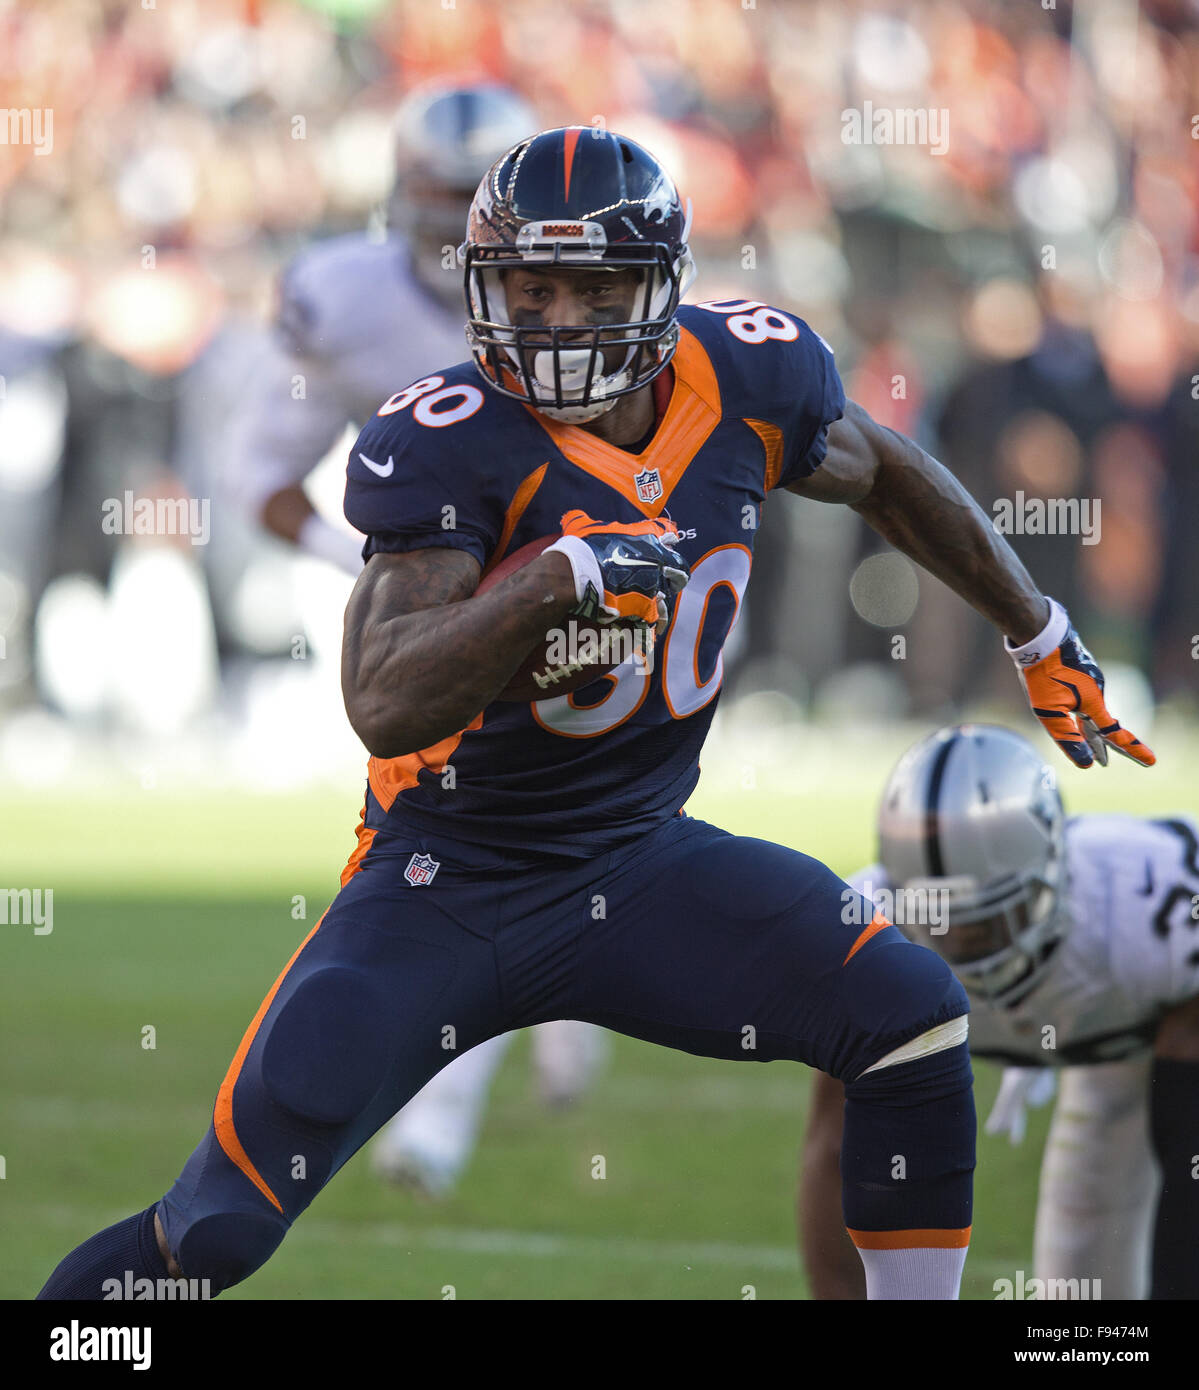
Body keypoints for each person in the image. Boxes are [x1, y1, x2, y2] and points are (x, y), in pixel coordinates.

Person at [38, 126, 1153, 1302]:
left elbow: (879, 469)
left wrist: (1032, 626)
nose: (561, 319)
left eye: (596, 287)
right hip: (447, 884)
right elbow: (380, 697)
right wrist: (552, 581)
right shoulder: (449, 440)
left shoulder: (748, 377)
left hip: (639, 863)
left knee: (909, 1016)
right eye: (534, 287)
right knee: (211, 1234)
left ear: (660, 288)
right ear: (488, 289)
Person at [231, 81, 608, 1196]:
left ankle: (567, 997)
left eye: (468, 204)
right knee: (475, 838)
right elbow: (259, 478)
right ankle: (450, 1109)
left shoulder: (589, 288)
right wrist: (385, 571)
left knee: (574, 832)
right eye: (432, 200)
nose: (447, 230)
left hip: (592, 584)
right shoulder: (337, 296)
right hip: (439, 608)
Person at [800, 724, 1194, 1299]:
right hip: (1104, 1010)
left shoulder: (1143, 914)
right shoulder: (863, 942)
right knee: (1083, 1301)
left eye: (985, 920)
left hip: (1165, 1013)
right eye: (941, 919)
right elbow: (835, 1153)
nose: (963, 943)